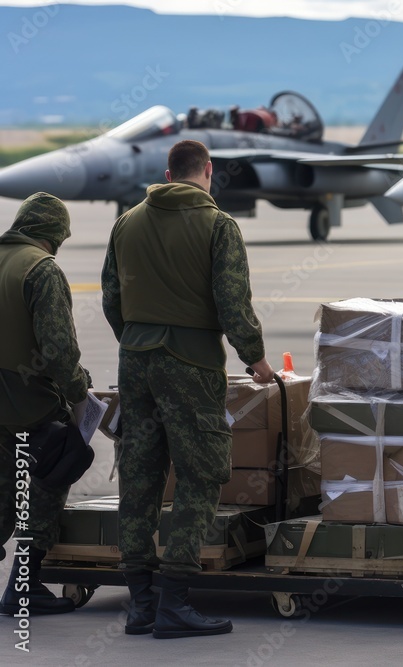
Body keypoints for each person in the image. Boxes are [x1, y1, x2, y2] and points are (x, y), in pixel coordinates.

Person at [102, 140, 274, 639]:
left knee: (138, 474)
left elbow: (112, 298)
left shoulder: (127, 222)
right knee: (199, 474)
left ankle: (140, 603)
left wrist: (137, 341)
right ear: (208, 172)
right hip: (192, 363)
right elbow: (232, 302)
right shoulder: (219, 226)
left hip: (135, 360)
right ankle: (175, 600)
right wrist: (255, 359)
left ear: (167, 172)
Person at [0, 193, 91, 616]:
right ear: (53, 235)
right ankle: (24, 586)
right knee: (52, 478)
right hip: (29, 404)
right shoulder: (41, 270)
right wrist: (78, 393)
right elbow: (58, 349)